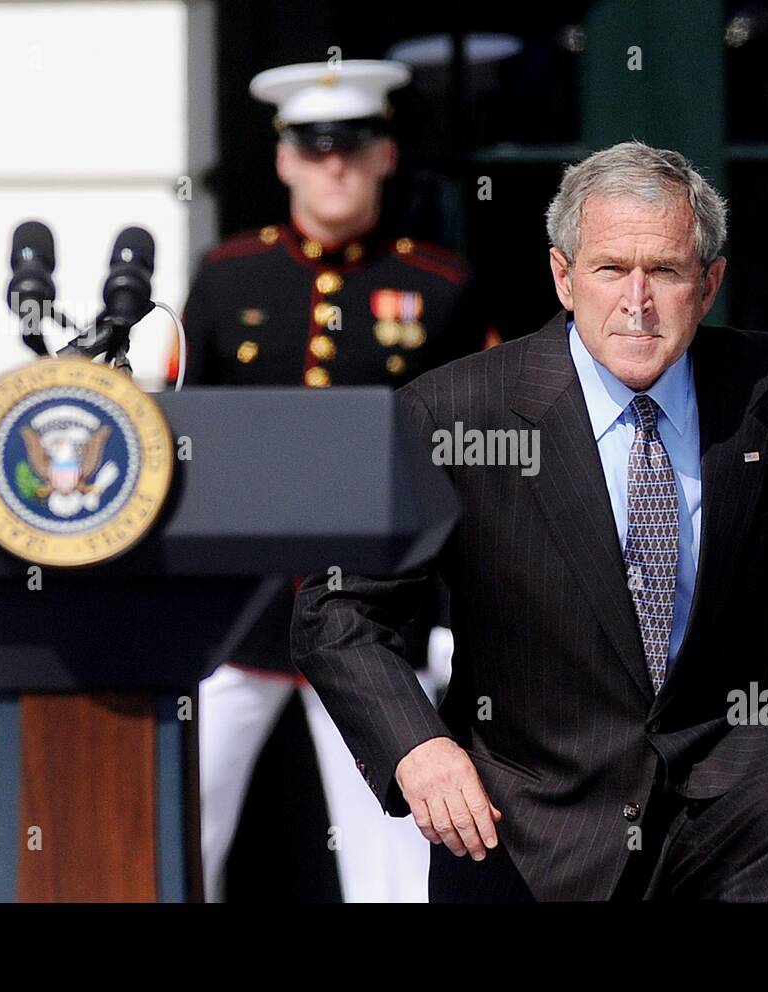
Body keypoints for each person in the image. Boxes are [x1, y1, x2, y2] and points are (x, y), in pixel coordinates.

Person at [292, 140, 768, 902]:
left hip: (734, 781)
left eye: (664, 271)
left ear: (708, 284)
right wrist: (418, 747)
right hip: (534, 809)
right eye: (610, 270)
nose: (637, 301)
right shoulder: (455, 412)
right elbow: (336, 607)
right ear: (564, 278)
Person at [174, 59, 489, 902]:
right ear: (283, 161)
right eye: (314, 151)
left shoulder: (439, 286)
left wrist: (465, 614)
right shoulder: (228, 276)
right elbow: (182, 442)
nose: (335, 166)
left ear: (386, 155)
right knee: (177, 820)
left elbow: (471, 465)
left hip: (379, 612)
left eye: (353, 146)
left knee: (391, 846)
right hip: (239, 611)